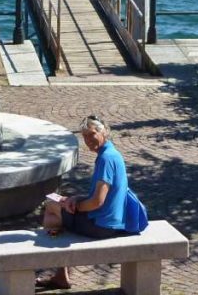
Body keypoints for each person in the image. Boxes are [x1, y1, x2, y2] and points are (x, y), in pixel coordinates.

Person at [37, 114, 132, 290]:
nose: (88, 140)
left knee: (51, 209)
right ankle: (61, 274)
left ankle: (57, 267)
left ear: (104, 132)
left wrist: (74, 207)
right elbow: (100, 195)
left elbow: (97, 202)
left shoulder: (106, 159)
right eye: (85, 136)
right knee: (58, 205)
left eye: (92, 134)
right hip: (111, 220)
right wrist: (75, 199)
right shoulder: (112, 153)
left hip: (102, 226)